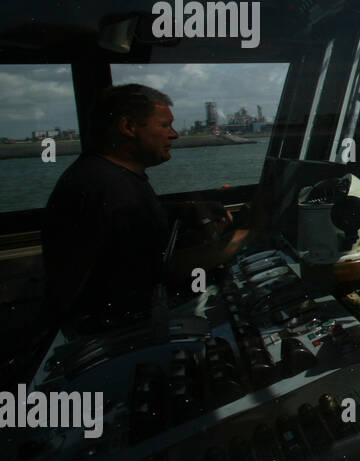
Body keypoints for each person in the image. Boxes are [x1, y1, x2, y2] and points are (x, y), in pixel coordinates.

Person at [42, 84, 259, 336]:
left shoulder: (100, 175)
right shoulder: (115, 189)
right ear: (128, 127)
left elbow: (127, 228)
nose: (174, 135)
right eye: (165, 125)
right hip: (119, 330)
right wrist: (247, 234)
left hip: (104, 319)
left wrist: (183, 210)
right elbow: (167, 269)